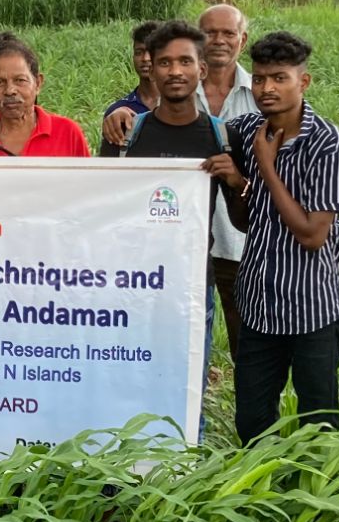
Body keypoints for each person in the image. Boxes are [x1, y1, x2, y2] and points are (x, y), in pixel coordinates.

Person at [98, 22, 248, 439]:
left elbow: (242, 221)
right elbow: (100, 208)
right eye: (164, 62)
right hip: (131, 286)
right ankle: (123, 467)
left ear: (202, 68)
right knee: (125, 382)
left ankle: (182, 470)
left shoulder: (223, 136)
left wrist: (237, 181)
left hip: (191, 289)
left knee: (186, 387)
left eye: (185, 61)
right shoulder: (127, 133)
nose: (174, 70)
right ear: (151, 68)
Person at [222, 33, 339, 444]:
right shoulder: (244, 131)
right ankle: (262, 496)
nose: (267, 89)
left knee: (318, 423)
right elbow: (247, 220)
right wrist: (238, 183)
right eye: (260, 79)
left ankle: (313, 500)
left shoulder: (328, 144)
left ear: (304, 81)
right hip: (259, 304)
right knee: (252, 421)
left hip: (311, 308)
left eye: (280, 78)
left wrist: (265, 167)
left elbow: (314, 234)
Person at [0, 38, 91, 157]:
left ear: (38, 83)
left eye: (20, 80)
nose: (10, 91)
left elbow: (87, 182)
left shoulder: (67, 133)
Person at [105, 21, 163, 123]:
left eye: (151, 51)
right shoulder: (117, 112)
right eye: (139, 52)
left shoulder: (180, 105)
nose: (145, 58)